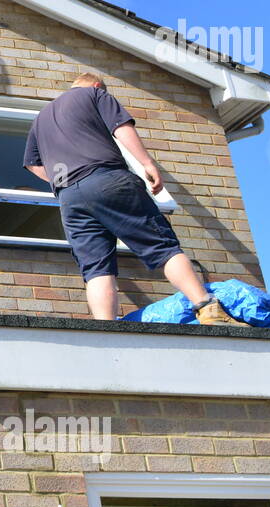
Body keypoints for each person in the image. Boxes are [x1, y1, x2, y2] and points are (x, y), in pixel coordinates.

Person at [22, 73, 246, 325]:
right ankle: (208, 309)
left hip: (69, 197)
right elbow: (121, 128)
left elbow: (32, 164)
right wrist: (146, 163)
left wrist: (61, 178)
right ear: (97, 85)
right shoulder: (95, 94)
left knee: (96, 269)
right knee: (163, 248)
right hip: (108, 179)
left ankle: (105, 329)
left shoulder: (40, 119)